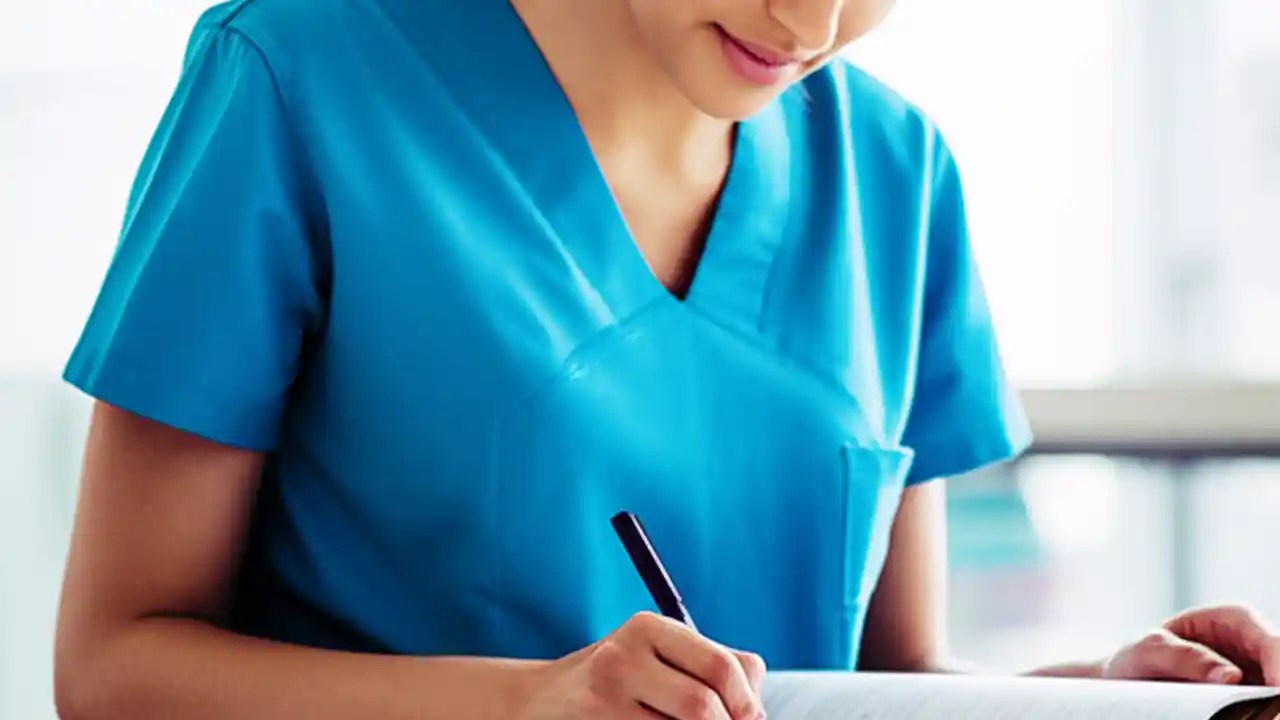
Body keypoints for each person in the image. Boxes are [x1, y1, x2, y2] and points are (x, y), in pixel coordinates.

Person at [53, 0, 1280, 718]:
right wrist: (526, 705)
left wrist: (1101, 695)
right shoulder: (298, 75)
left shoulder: (895, 172)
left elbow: (882, 683)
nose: (809, 21)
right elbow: (113, 663)